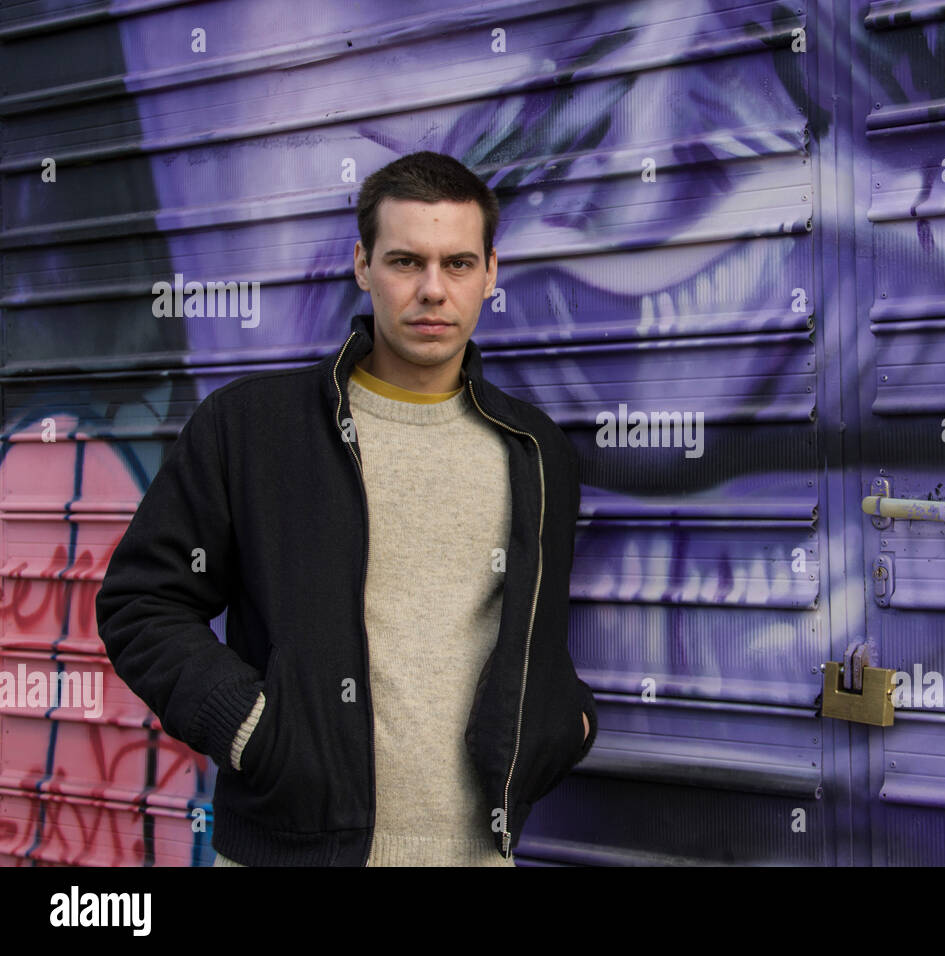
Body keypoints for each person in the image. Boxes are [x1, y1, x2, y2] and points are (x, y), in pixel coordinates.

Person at [95, 150, 596, 866]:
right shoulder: (253, 428)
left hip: (476, 856)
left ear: (491, 272)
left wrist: (565, 723)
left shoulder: (534, 448)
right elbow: (140, 603)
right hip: (295, 851)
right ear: (363, 265)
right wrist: (251, 729)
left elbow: (535, 634)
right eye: (404, 262)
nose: (431, 290)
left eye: (457, 264)